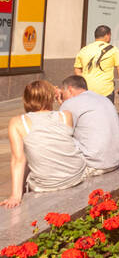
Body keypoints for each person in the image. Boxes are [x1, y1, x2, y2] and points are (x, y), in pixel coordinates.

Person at [3, 79, 86, 207]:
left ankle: (21, 193)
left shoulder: (17, 122)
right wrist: (59, 100)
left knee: (27, 160)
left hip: (46, 184)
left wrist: (15, 195)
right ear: (51, 97)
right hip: (76, 175)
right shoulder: (66, 116)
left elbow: (18, 159)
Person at [57, 76, 119, 177]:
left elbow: (59, 133)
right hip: (115, 160)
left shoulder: (70, 103)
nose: (62, 97)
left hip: (93, 164)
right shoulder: (103, 99)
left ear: (70, 90)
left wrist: (62, 105)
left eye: (62, 94)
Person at [73, 26, 119, 103]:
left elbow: (77, 69)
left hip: (87, 90)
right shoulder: (113, 49)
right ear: (107, 35)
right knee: (106, 113)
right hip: (106, 90)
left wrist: (85, 80)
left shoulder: (84, 50)